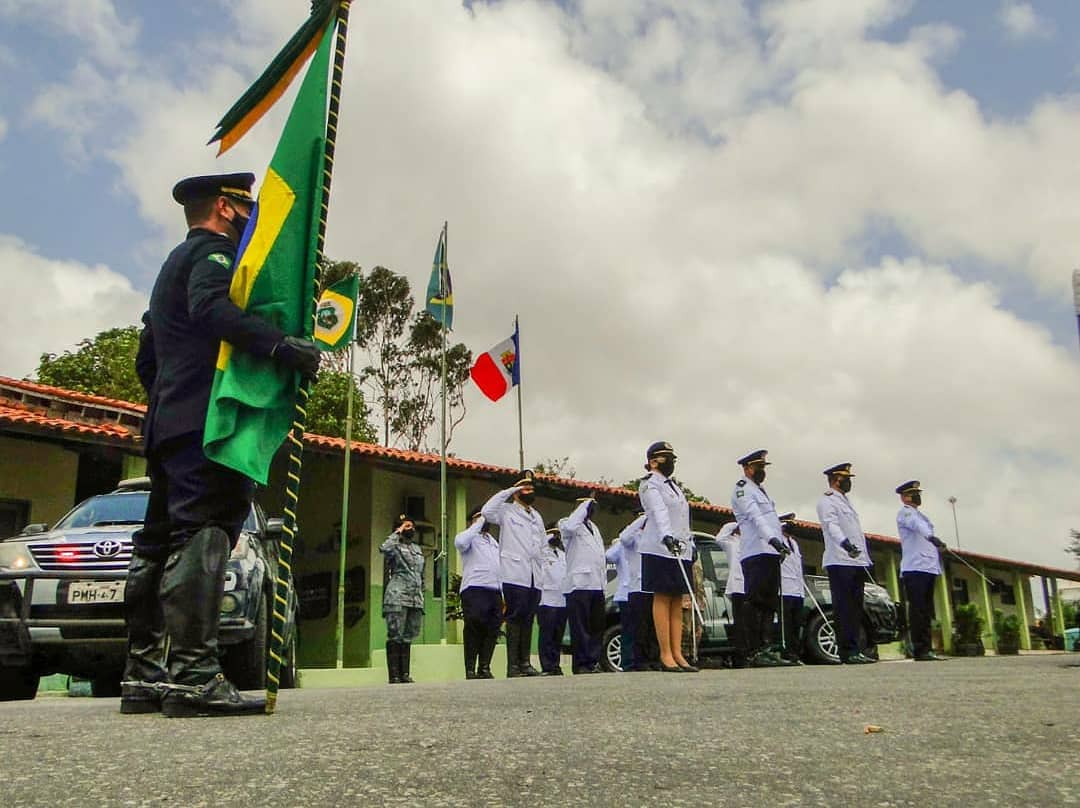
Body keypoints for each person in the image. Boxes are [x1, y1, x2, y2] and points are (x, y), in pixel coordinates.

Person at [123, 173, 320, 717]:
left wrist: (173, 398)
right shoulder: (211, 256)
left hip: (168, 424)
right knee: (202, 532)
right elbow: (212, 309)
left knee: (157, 542)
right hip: (202, 427)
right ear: (225, 208)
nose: (250, 215)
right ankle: (193, 677)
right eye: (245, 206)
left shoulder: (172, 266)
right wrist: (281, 345)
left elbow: (147, 358)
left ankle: (144, 676)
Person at [638, 441, 698, 673]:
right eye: (665, 458)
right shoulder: (650, 484)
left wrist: (689, 544)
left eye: (672, 457)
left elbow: (682, 518)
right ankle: (665, 654)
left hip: (679, 549)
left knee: (676, 599)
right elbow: (659, 512)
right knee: (663, 597)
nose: (670, 462)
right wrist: (666, 536)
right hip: (659, 547)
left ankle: (677, 653)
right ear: (653, 461)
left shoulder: (673, 486)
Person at [731, 449, 794, 668]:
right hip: (756, 550)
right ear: (747, 468)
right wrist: (774, 540)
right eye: (758, 467)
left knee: (769, 602)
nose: (762, 471)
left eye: (764, 467)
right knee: (755, 601)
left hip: (770, 551)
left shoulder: (761, 490)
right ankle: (754, 650)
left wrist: (779, 545)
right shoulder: (742, 490)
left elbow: (771, 520)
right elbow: (756, 518)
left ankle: (767, 647)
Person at [481, 470, 545, 677]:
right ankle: (513, 666)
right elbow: (487, 511)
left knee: (528, 618)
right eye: (525, 487)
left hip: (534, 576)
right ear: (516, 491)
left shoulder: (536, 516)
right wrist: (508, 491)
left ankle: (525, 662)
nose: (530, 491)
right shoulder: (506, 511)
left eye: (531, 487)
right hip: (514, 573)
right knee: (515, 618)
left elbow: (542, 543)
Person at [816, 462, 875, 665]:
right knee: (844, 607)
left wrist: (863, 557)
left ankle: (855, 648)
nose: (849, 482)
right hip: (840, 560)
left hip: (856, 561)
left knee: (856, 607)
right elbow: (831, 526)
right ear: (836, 479)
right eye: (846, 478)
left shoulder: (846, 502)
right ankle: (847, 651)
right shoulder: (827, 501)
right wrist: (845, 544)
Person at [895, 480, 948, 662]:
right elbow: (920, 528)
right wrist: (932, 537)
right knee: (918, 611)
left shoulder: (921, 515)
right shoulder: (906, 514)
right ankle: (920, 649)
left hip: (927, 568)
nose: (917, 496)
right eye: (913, 493)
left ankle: (927, 648)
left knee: (926, 611)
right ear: (904, 497)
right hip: (914, 568)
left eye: (918, 493)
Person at [559, 495, 607, 674]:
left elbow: (600, 555)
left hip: (596, 583)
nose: (590, 509)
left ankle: (593, 661)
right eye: (588, 506)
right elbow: (572, 525)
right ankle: (581, 664)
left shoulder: (593, 527)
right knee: (580, 627)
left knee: (596, 626)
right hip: (579, 584)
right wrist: (586, 503)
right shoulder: (566, 523)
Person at [454, 506, 503, 679]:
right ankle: (470, 668)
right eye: (480, 517)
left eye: (486, 517)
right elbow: (459, 543)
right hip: (475, 588)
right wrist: (477, 523)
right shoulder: (468, 537)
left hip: (495, 590)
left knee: (492, 630)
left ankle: (484, 666)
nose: (485, 520)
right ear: (472, 520)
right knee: (474, 627)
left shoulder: (493, 542)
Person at [381, 515, 426, 684]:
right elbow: (384, 548)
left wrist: (422, 594)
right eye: (407, 526)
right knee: (395, 634)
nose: (411, 529)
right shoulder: (394, 546)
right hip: (397, 596)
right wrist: (397, 532)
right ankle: (394, 675)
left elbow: (421, 575)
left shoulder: (417, 549)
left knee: (409, 635)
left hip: (415, 598)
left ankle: (405, 674)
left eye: (412, 526)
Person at [619, 511, 658, 671]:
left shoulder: (654, 538)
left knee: (652, 628)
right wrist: (643, 518)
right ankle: (636, 661)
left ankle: (653, 659)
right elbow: (624, 537)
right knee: (638, 629)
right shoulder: (633, 538)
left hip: (653, 588)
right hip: (637, 588)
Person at [536, 526, 569, 675]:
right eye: (553, 533)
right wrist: (546, 538)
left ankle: (555, 665)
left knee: (558, 634)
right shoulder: (541, 553)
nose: (556, 537)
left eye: (558, 534)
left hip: (561, 599)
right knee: (547, 634)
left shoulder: (562, 555)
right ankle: (547, 665)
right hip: (546, 599)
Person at [717, 522, 747, 667]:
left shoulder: (750, 541)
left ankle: (751, 653)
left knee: (751, 624)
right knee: (740, 624)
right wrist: (740, 520)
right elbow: (719, 538)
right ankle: (740, 658)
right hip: (737, 586)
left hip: (751, 586)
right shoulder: (731, 542)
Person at [778, 513, 805, 665]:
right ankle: (787, 653)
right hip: (785, 588)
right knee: (786, 624)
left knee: (796, 623)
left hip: (797, 589)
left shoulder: (794, 543)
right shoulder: (777, 541)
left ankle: (796, 653)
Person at [606, 536, 633, 671]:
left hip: (640, 593)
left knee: (642, 631)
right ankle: (627, 663)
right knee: (627, 631)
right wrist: (621, 541)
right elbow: (609, 555)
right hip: (625, 594)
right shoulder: (621, 547)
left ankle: (641, 660)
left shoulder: (642, 543)